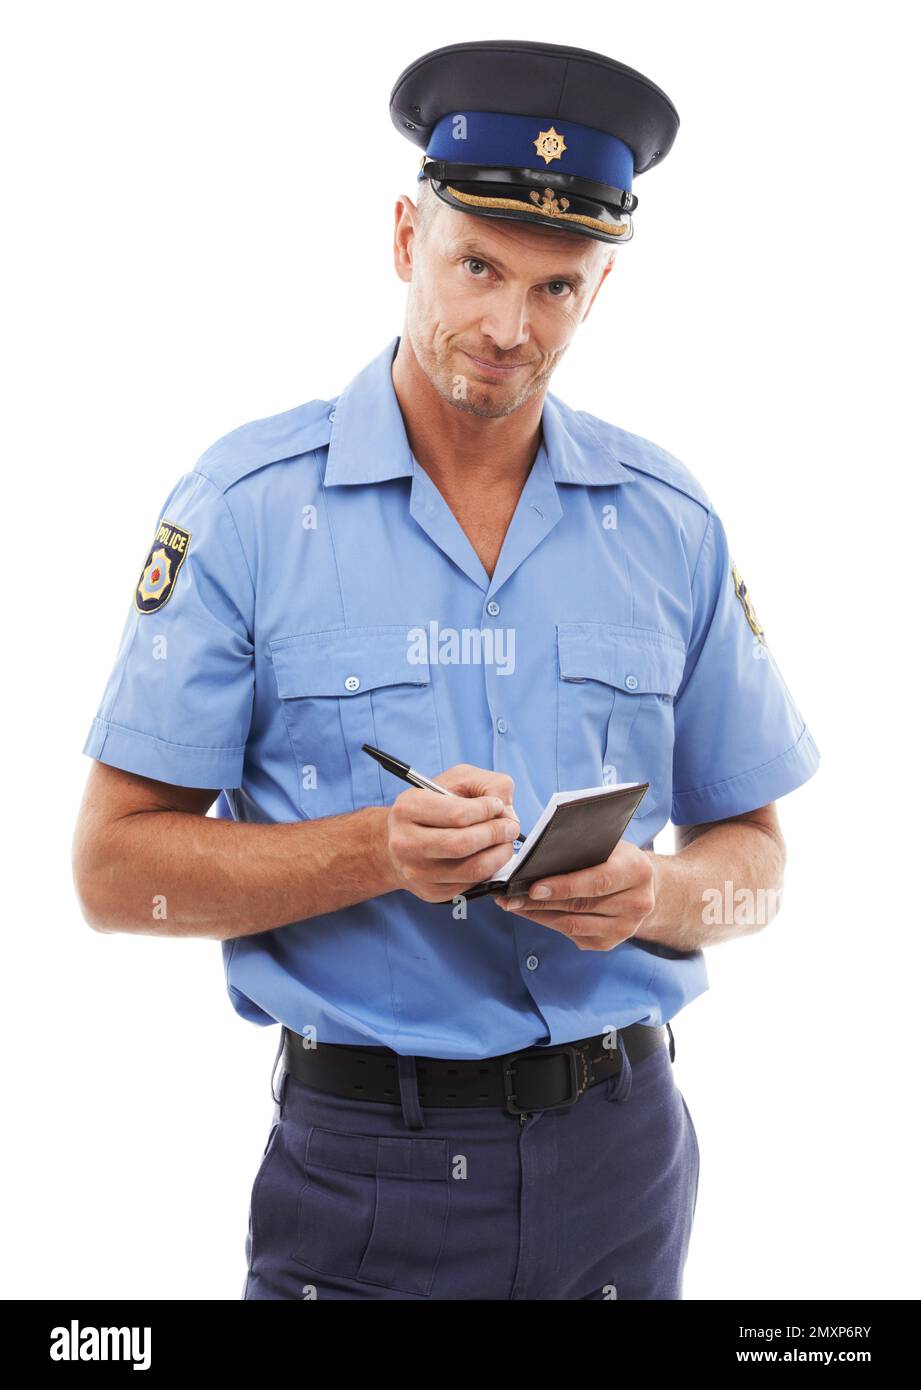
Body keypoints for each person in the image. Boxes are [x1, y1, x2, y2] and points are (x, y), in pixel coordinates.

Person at [72, 39, 820, 1300]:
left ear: (600, 291)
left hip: (626, 1163)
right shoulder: (248, 511)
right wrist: (376, 851)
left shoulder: (670, 521)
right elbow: (111, 871)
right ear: (406, 234)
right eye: (477, 264)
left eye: (556, 288)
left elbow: (758, 863)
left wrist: (655, 894)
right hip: (368, 1169)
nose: (506, 327)